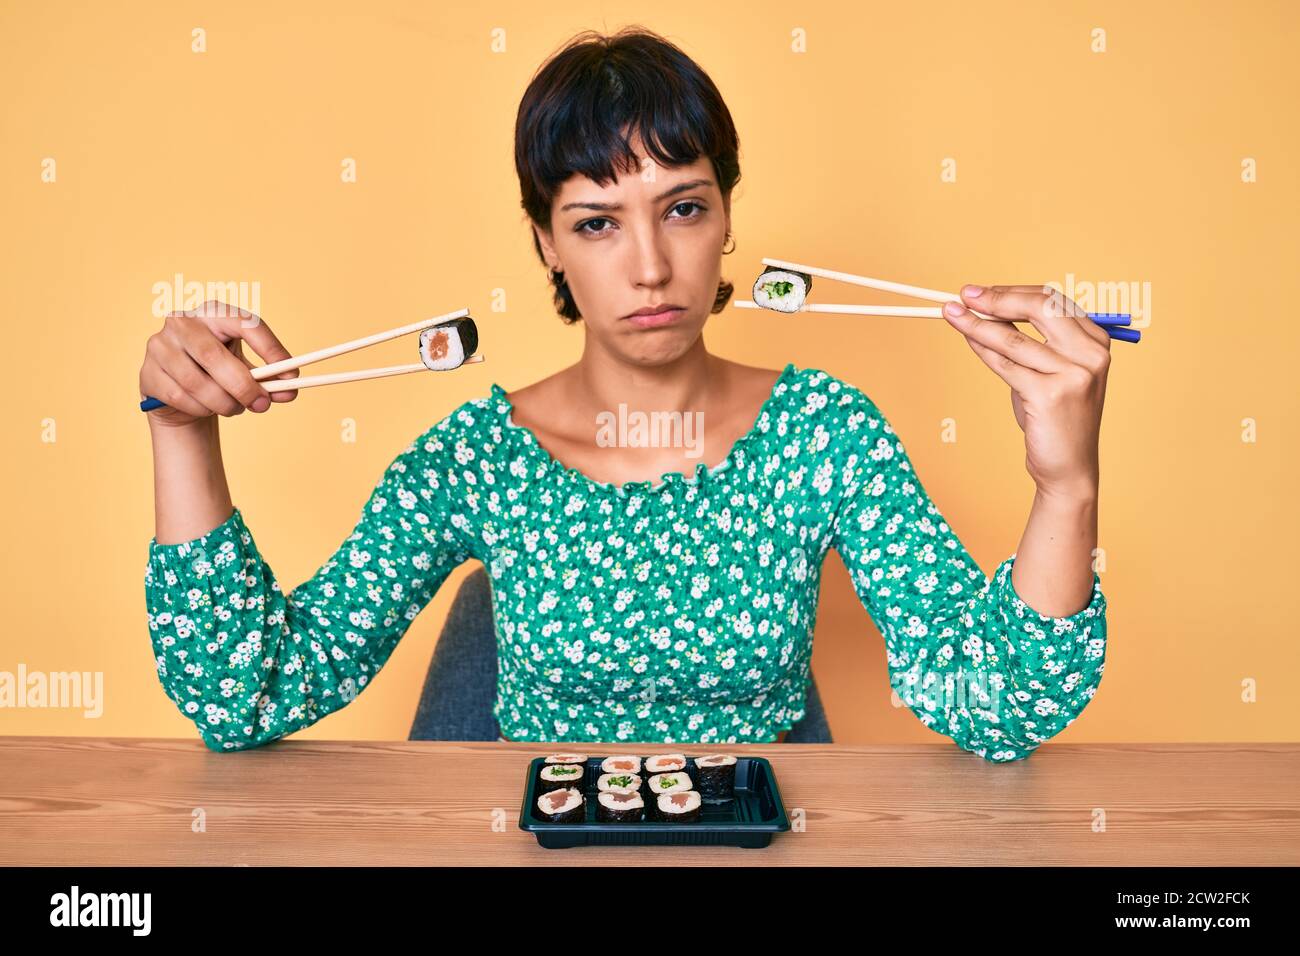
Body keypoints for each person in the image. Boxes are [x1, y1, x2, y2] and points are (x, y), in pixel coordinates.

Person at [140, 26, 1109, 759]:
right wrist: (180, 428)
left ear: (725, 217)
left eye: (682, 207)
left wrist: (1065, 486)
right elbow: (244, 695)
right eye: (597, 223)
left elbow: (996, 705)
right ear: (547, 244)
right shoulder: (477, 458)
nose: (649, 265)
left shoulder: (824, 434)